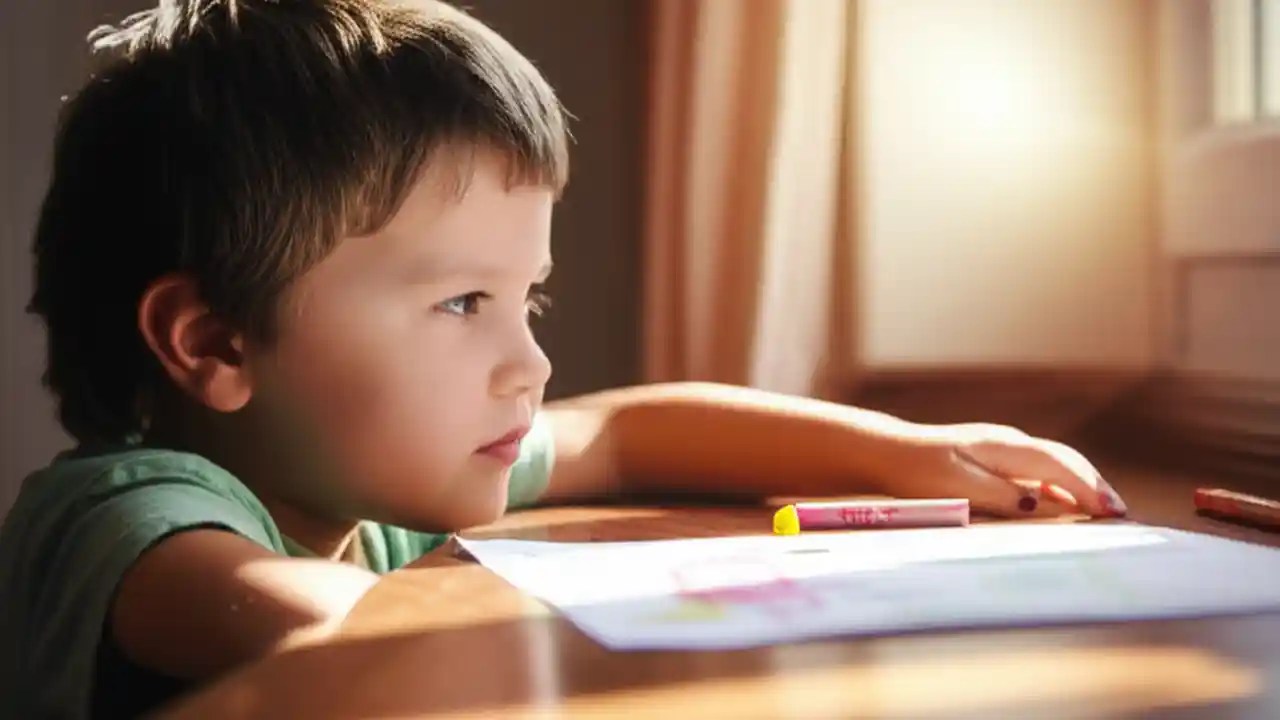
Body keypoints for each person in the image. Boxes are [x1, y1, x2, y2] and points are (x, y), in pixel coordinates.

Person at [0, 1, 1127, 717]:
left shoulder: (352, 478)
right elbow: (342, 632)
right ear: (215, 342)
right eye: (461, 302)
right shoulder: (124, 520)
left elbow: (622, 429)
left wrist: (906, 453)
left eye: (525, 298)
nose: (530, 366)